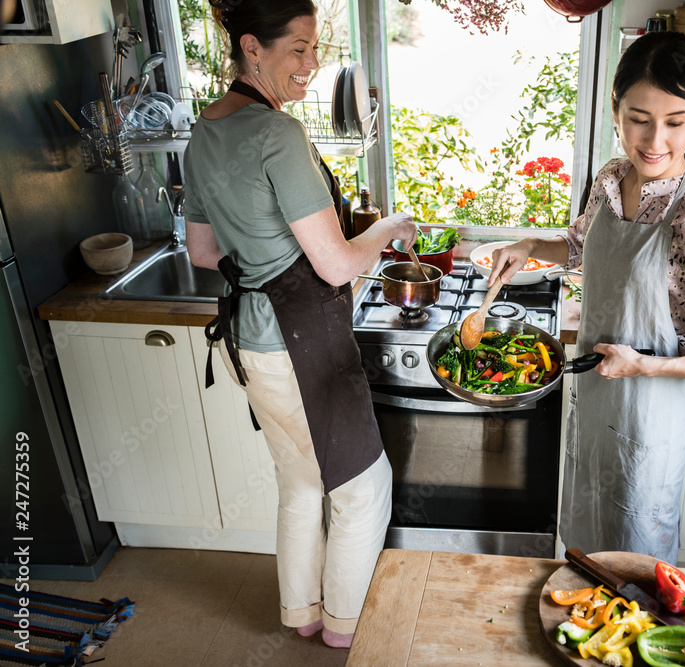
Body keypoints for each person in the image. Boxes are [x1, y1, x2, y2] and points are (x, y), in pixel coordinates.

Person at [183, 0, 418, 648]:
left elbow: (203, 252)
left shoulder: (204, 131)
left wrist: (262, 258)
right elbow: (338, 266)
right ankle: (344, 628)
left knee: (300, 482)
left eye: (317, 47)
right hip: (301, 343)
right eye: (299, 49)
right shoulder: (277, 135)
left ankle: (302, 614)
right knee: (364, 489)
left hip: (250, 341)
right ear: (252, 47)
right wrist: (386, 229)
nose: (314, 63)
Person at [488, 31, 685, 564]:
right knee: (583, 553)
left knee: (635, 564)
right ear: (614, 110)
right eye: (639, 118)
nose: (655, 141)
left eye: (676, 122)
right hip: (596, 403)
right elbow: (577, 245)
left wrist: (643, 365)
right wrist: (528, 244)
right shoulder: (614, 177)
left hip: (649, 421)